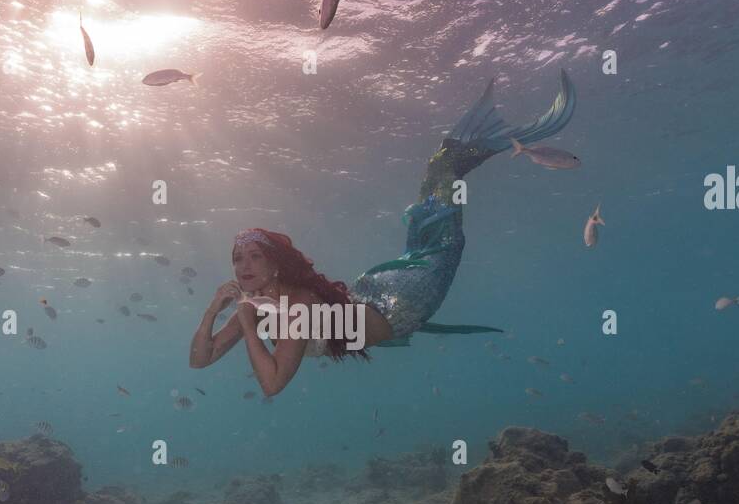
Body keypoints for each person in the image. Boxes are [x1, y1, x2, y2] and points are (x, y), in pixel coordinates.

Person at [189, 71, 577, 396]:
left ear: (275, 265)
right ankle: (456, 155)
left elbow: (273, 384)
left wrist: (247, 321)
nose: (243, 266)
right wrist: (213, 311)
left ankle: (455, 154)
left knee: (440, 238)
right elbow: (200, 361)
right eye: (237, 259)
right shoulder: (254, 305)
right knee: (426, 230)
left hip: (403, 302)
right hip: (370, 294)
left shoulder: (296, 306)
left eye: (254, 256)